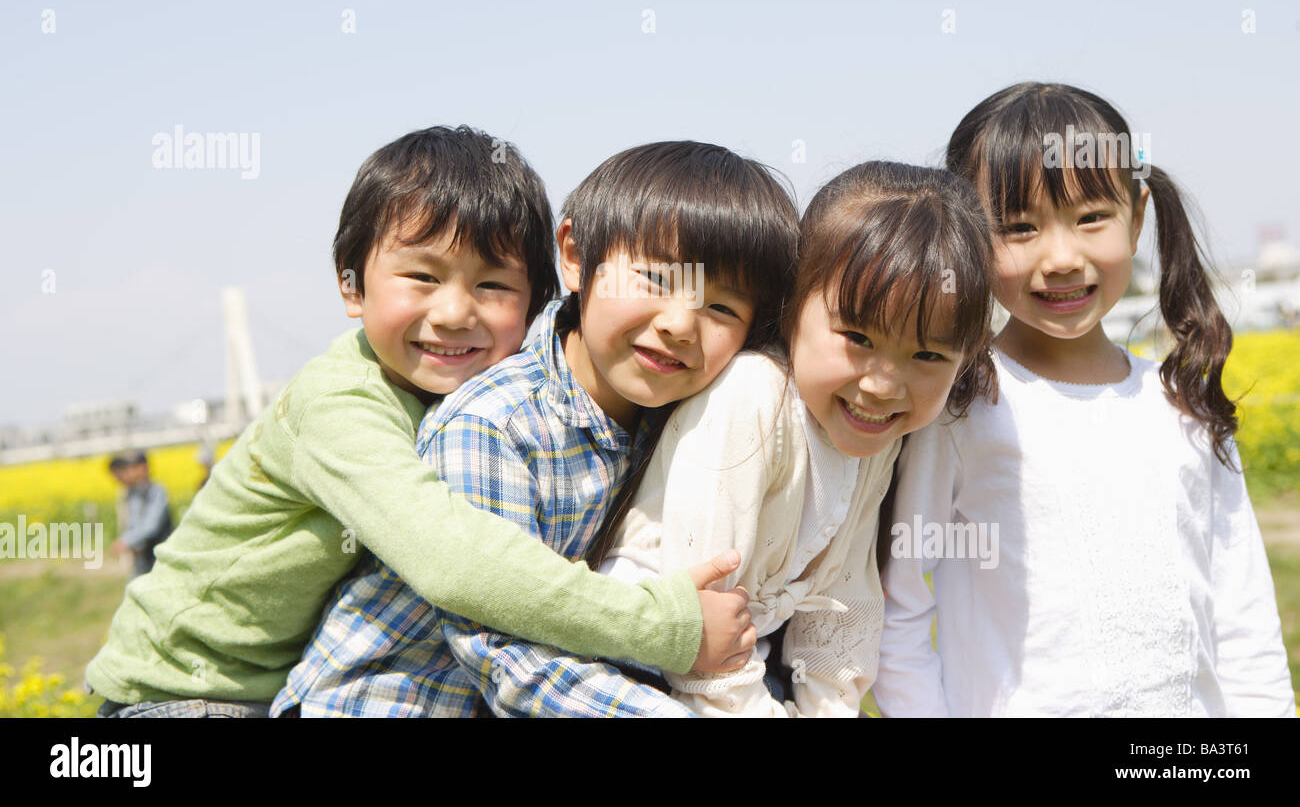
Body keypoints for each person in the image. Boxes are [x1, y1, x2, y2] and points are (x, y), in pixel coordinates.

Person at [86, 127, 754, 718]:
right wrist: (664, 626)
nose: (456, 312)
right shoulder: (339, 403)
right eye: (421, 277)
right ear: (352, 287)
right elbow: (454, 560)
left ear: (537, 297)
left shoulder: (503, 396)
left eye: (493, 286)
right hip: (184, 693)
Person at [273, 140, 798, 717]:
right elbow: (508, 655)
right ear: (574, 258)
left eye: (722, 309)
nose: (678, 324)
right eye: (652, 280)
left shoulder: (683, 416)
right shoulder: (492, 426)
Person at [873, 83, 1297, 717]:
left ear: (1138, 213)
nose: (1062, 258)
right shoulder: (960, 408)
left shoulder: (1183, 405)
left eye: (1091, 217)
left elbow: (1245, 621)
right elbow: (899, 612)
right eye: (1018, 228)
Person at [596, 161, 995, 716]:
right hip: (634, 662)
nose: (881, 385)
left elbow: (843, 607)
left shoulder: (874, 436)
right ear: (791, 310)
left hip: (744, 668)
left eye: (928, 355)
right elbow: (699, 630)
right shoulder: (753, 399)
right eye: (857, 337)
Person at [108, 450, 173, 578]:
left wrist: (126, 541)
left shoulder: (157, 491)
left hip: (159, 557)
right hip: (141, 558)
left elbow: (151, 526)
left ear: (143, 468)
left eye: (132, 468)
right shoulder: (131, 494)